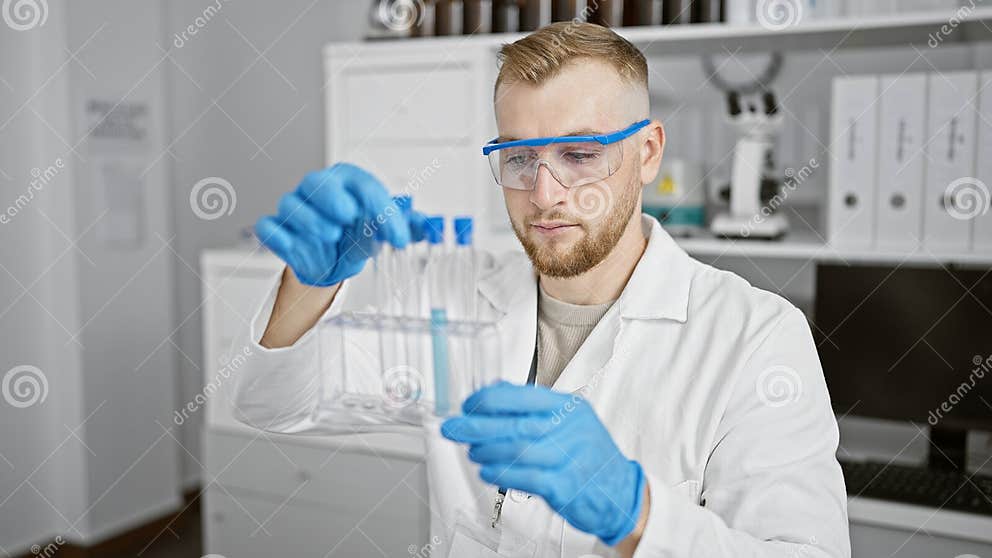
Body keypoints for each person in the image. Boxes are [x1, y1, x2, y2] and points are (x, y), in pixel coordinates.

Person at [233, 21, 850, 558]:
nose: (546, 194)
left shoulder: (756, 336)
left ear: (648, 152)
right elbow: (273, 407)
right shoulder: (453, 295)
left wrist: (636, 513)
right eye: (520, 158)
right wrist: (309, 283)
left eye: (580, 153)